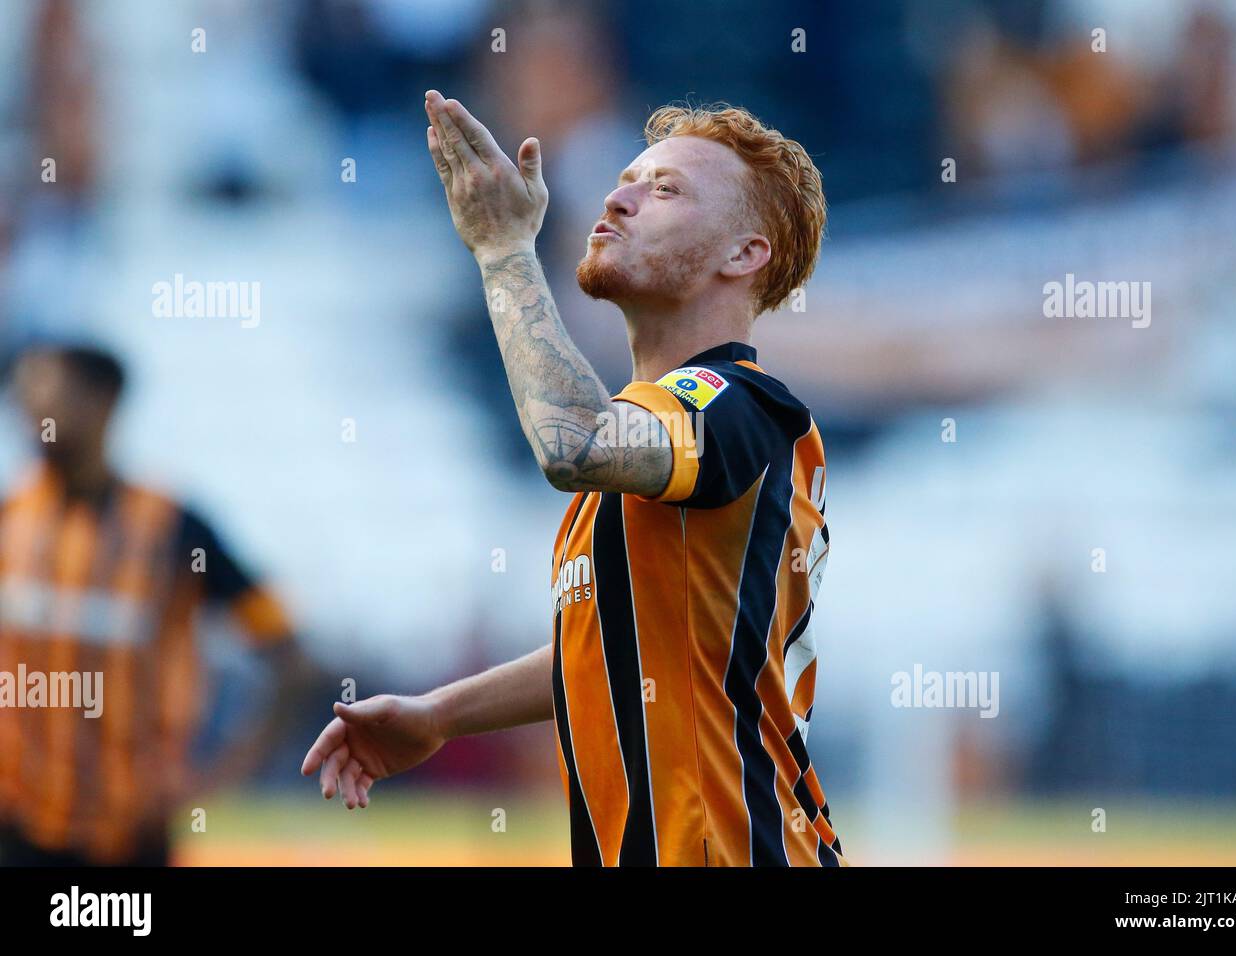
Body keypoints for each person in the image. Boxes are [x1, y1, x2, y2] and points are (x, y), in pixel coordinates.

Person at [303, 93, 843, 866]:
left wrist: (502, 251)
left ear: (743, 254)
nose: (618, 197)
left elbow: (571, 445)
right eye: (627, 178)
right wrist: (441, 714)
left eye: (665, 189)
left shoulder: (739, 404)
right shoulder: (654, 442)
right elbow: (611, 647)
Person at [0, 343, 302, 866]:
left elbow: (290, 659)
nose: (30, 407)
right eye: (21, 392)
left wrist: (218, 775)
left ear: (106, 402)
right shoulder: (9, 519)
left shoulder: (177, 529)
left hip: (130, 837)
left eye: (47, 389)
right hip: (16, 829)